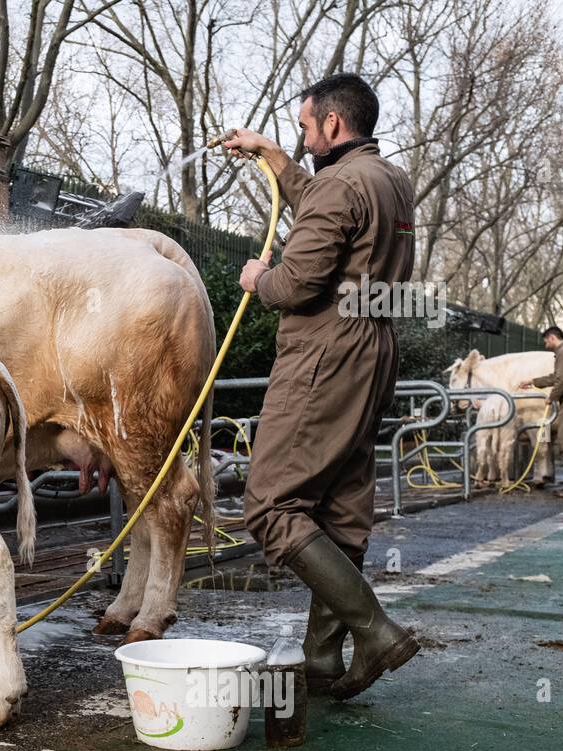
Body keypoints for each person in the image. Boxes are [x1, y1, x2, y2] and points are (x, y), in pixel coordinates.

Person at [221, 73, 419, 701]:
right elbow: (326, 202)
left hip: (324, 353)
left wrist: (258, 276)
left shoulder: (339, 183)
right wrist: (274, 158)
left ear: (332, 124)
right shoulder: (389, 180)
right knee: (341, 509)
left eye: (304, 127)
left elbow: (298, 284)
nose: (302, 138)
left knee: (272, 504)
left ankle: (376, 631)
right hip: (374, 347)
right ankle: (323, 659)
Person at [516, 327, 563, 498]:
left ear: (552, 338)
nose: (545, 344)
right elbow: (557, 377)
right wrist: (533, 381)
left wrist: (552, 396)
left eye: (546, 340)